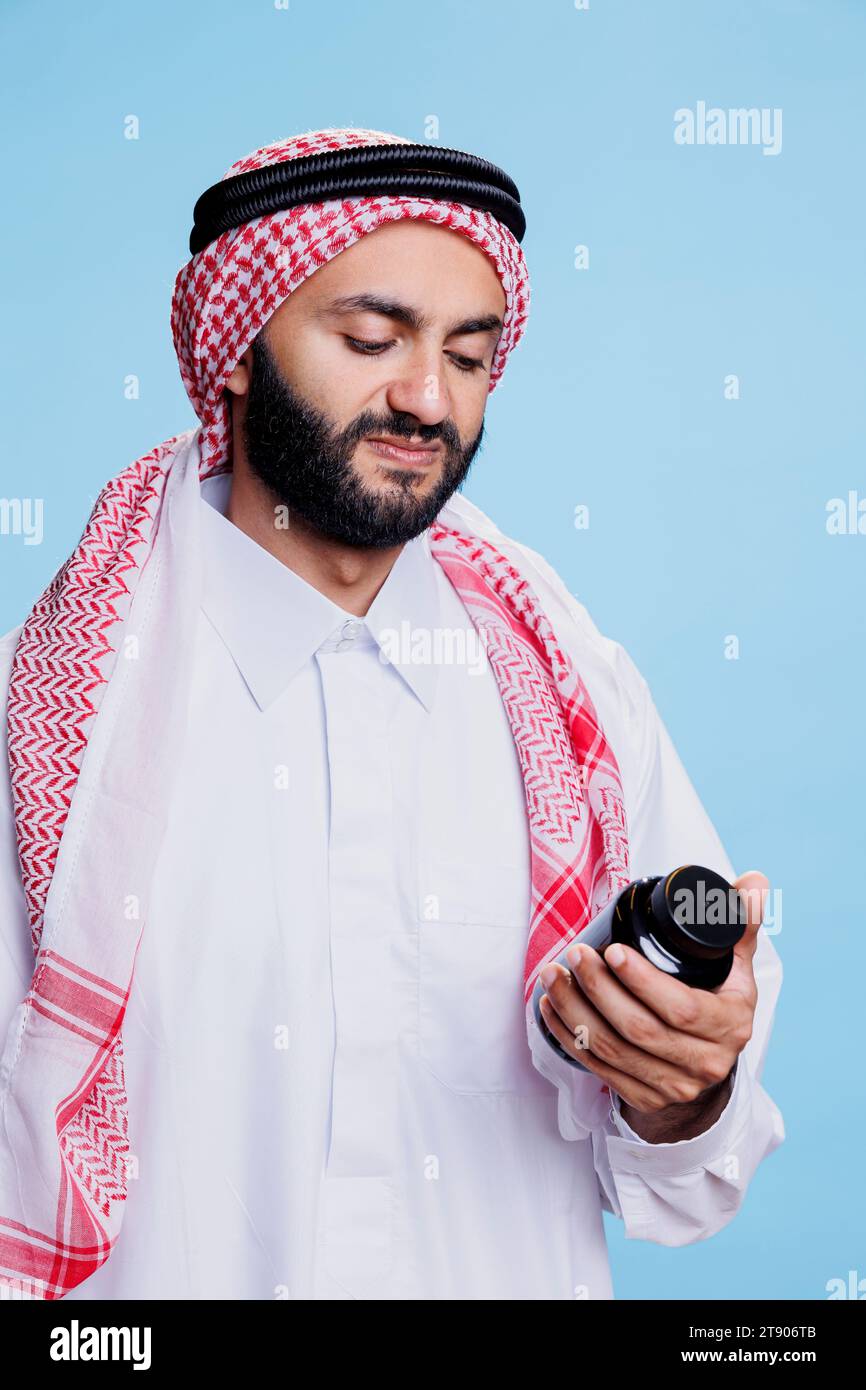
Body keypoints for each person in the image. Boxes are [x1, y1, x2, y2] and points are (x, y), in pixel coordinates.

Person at [0, 127, 784, 1301]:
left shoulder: (573, 697)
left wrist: (683, 1082)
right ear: (236, 350)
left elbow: (687, 1178)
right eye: (371, 340)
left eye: (467, 357)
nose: (425, 398)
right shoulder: (56, 724)